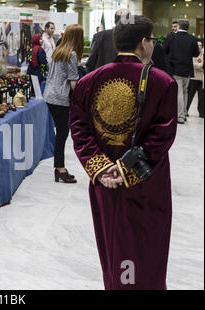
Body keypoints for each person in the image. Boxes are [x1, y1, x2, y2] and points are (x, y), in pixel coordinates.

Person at [70, 15, 178, 290]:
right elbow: (162, 134)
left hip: (105, 184)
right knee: (149, 248)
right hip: (147, 181)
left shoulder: (87, 83)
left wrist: (103, 169)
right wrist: (126, 169)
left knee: (114, 248)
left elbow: (80, 131)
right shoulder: (163, 83)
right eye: (152, 40)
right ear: (143, 43)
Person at [43, 24, 83, 184]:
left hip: (51, 95)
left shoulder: (58, 51)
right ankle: (59, 168)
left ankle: (59, 167)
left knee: (61, 132)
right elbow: (73, 82)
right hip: (60, 98)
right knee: (62, 133)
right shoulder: (71, 54)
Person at [163, 19, 200, 123]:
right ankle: (183, 113)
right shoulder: (193, 39)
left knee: (179, 92)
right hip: (187, 70)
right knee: (185, 91)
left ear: (178, 26)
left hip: (175, 69)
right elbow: (196, 54)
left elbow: (164, 50)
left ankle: (179, 116)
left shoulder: (172, 36)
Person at [85, 8, 130, 73]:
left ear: (114, 21)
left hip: (102, 78)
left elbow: (90, 63)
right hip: (125, 80)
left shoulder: (99, 36)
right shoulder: (136, 38)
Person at [186, 39, 204, 118]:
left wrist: (199, 66)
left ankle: (201, 112)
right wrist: (202, 65)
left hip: (201, 79)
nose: (199, 47)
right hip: (193, 79)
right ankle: (185, 111)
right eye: (198, 45)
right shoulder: (191, 54)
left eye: (200, 45)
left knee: (202, 98)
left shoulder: (203, 55)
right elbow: (193, 65)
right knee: (189, 97)